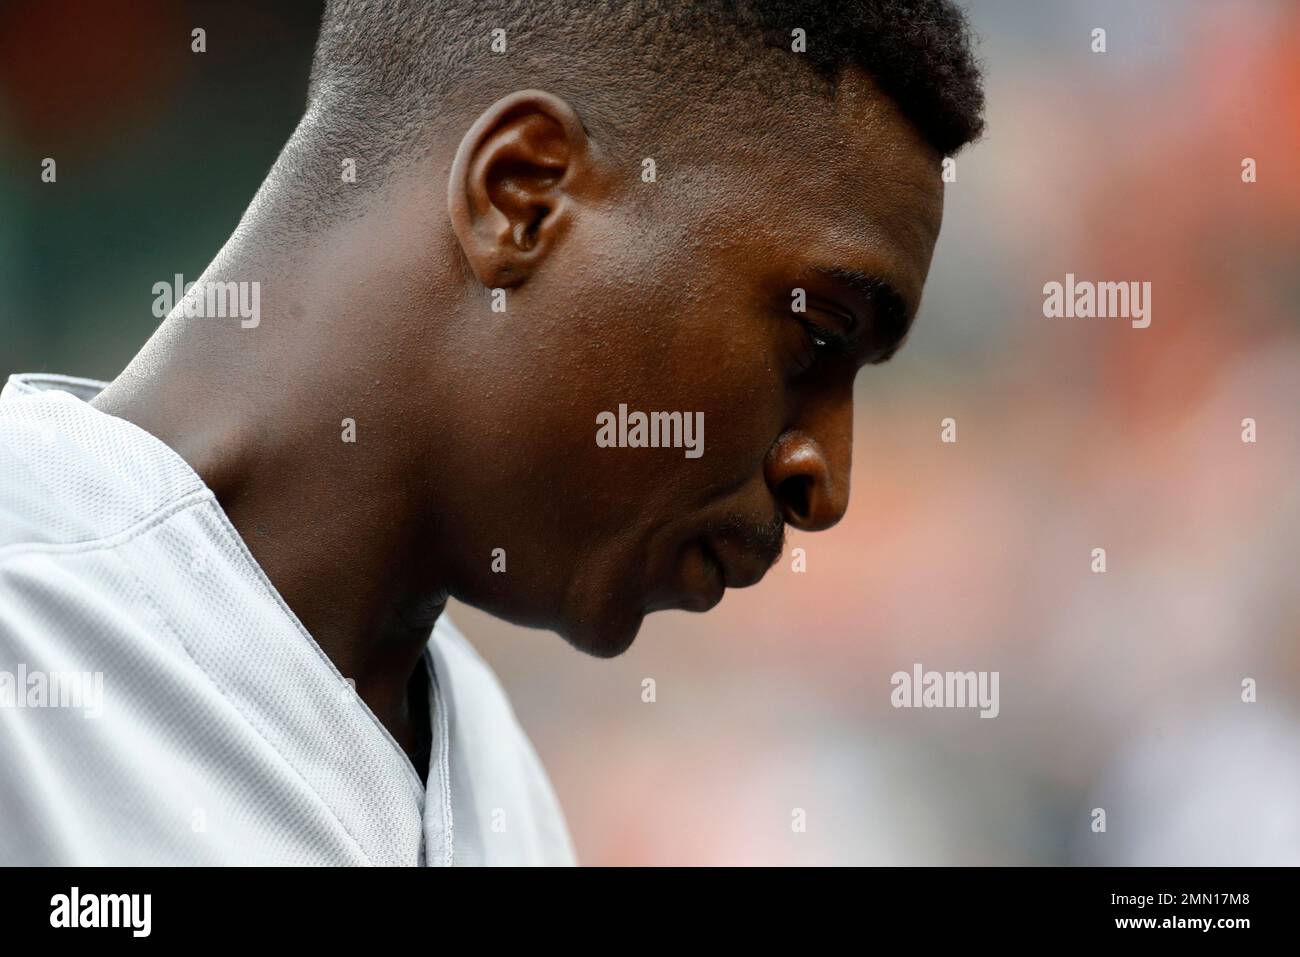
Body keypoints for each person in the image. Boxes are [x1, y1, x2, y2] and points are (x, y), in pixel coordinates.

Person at [0, 0, 984, 865]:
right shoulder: (27, 622)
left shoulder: (496, 779)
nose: (827, 481)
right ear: (521, 197)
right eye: (816, 337)